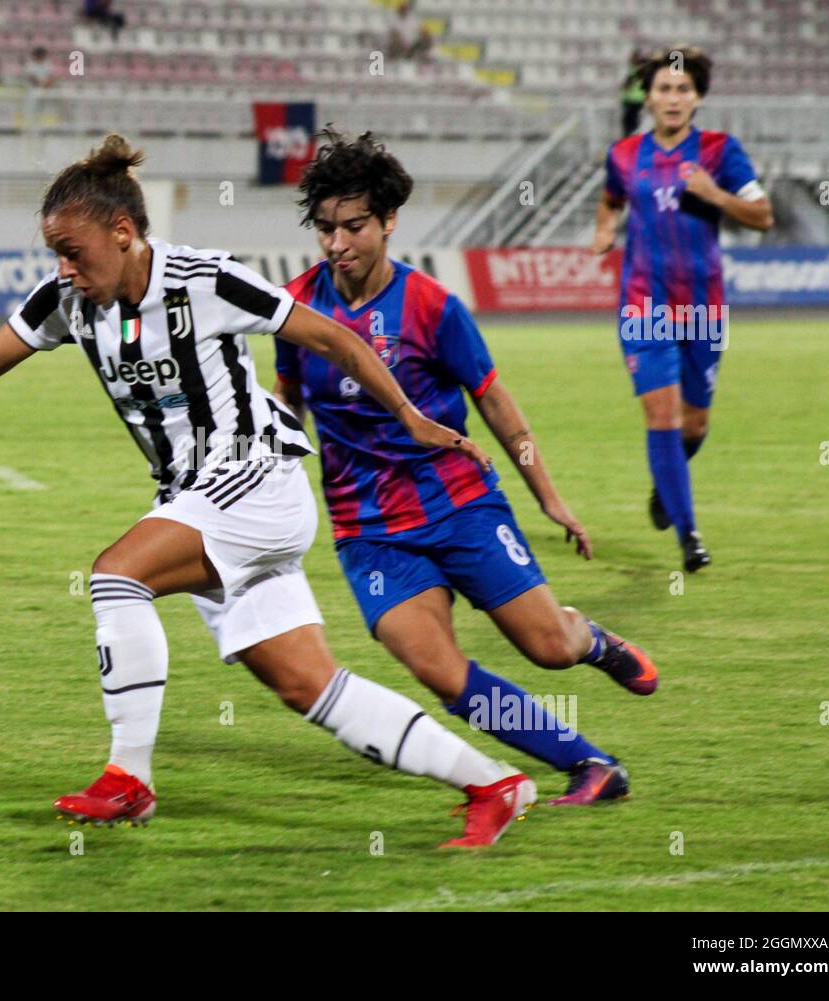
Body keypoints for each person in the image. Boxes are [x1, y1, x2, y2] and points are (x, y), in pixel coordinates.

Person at [0, 134, 538, 847]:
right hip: (198, 498)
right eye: (54, 251)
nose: (63, 267)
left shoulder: (205, 280)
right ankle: (493, 782)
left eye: (73, 250)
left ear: (123, 232)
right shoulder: (67, 300)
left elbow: (333, 338)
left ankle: (130, 778)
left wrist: (410, 415)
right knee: (313, 688)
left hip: (253, 478)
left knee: (117, 575)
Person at [273, 131, 656, 805]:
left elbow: (500, 409)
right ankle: (590, 764)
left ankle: (589, 638)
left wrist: (550, 499)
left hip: (460, 503)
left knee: (548, 647)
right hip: (369, 528)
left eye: (353, 227)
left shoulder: (432, 308)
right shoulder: (296, 307)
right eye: (326, 229)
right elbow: (290, 403)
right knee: (439, 669)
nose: (337, 245)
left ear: (390, 221)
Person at [591, 48, 773, 571]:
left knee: (693, 425)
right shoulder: (624, 154)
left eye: (683, 89)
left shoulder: (720, 151)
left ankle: (665, 487)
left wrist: (714, 194)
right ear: (647, 97)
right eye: (664, 89)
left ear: (698, 97)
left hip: (704, 307)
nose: (673, 98)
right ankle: (689, 536)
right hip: (644, 304)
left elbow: (762, 216)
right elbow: (610, 199)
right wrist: (604, 228)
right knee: (663, 415)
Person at [620, 48, 647, 137]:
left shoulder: (642, 70)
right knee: (629, 123)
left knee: (633, 123)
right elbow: (625, 85)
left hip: (637, 99)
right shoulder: (632, 69)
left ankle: (632, 138)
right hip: (630, 99)